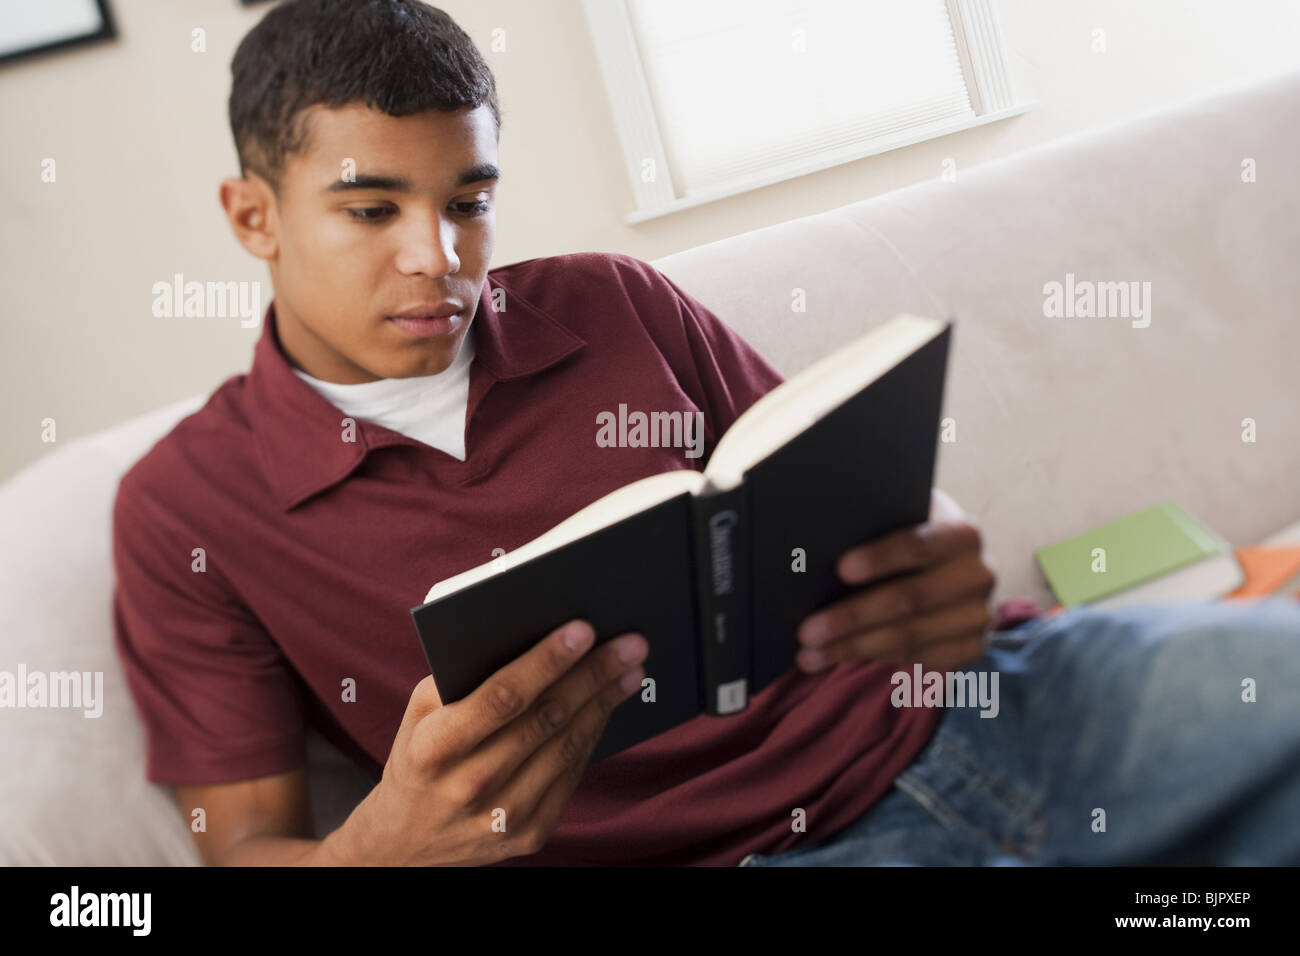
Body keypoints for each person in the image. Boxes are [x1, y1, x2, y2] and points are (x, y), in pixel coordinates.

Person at [111, 0, 1300, 867]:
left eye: (468, 201)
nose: (440, 258)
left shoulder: (612, 301)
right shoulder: (188, 510)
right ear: (253, 215)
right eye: (371, 209)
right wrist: (386, 848)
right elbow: (249, 840)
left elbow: (836, 487)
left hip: (994, 705)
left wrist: (940, 549)